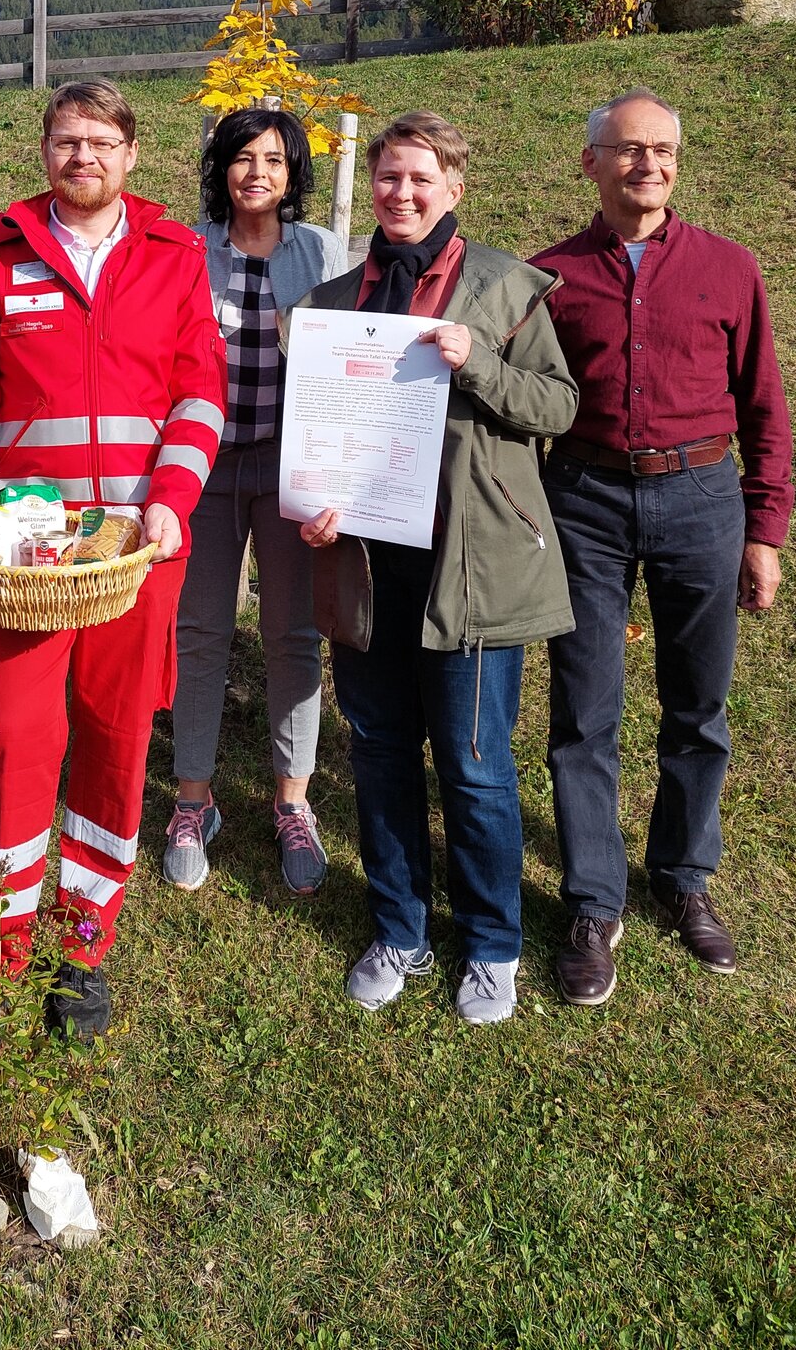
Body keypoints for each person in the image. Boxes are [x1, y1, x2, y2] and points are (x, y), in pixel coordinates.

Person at [0, 78, 226, 1040]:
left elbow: (198, 394)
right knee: (10, 736)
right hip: (23, 550)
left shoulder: (175, 255)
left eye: (101, 140)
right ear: (44, 151)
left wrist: (170, 504)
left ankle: (81, 943)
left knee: (115, 738)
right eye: (65, 140)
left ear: (132, 155)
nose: (82, 155)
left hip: (135, 550)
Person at [298, 112, 576, 1026]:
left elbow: (559, 407)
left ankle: (493, 942)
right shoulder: (340, 299)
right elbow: (321, 432)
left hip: (473, 565)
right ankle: (401, 927)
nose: (402, 194)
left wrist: (481, 365)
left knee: (473, 763)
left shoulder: (503, 287)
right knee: (379, 752)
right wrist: (314, 505)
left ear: (455, 187)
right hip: (370, 564)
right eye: (388, 179)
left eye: (421, 179)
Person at [531, 88, 793, 1006]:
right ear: (592, 162)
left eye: (663, 150)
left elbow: (764, 408)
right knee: (584, 711)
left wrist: (764, 531)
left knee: (699, 705)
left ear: (678, 161)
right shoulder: (549, 277)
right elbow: (521, 408)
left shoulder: (729, 268)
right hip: (586, 500)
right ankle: (595, 901)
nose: (648, 164)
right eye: (628, 149)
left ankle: (683, 880)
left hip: (701, 497)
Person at [163, 107, 348, 896]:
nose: (257, 173)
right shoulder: (182, 251)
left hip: (289, 467)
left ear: (293, 171)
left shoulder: (321, 252)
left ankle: (292, 802)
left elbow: (347, 364)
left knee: (292, 634)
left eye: (273, 159)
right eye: (242, 158)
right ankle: (192, 800)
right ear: (220, 169)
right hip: (200, 469)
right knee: (199, 630)